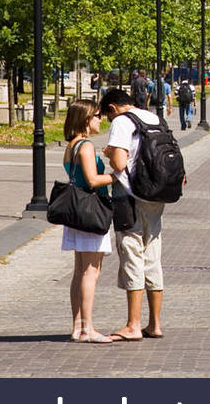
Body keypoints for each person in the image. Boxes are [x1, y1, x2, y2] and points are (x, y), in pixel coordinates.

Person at [99, 88, 166, 342]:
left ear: (113, 108)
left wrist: (108, 151)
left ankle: (133, 325)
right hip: (157, 195)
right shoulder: (153, 118)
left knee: (132, 254)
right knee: (152, 255)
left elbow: (118, 163)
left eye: (107, 115)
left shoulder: (121, 122)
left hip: (130, 195)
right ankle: (155, 323)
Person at [61, 99, 114, 344]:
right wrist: (115, 177)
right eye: (96, 116)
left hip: (76, 212)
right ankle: (88, 329)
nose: (100, 120)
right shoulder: (86, 146)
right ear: (85, 119)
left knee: (79, 271)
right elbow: (92, 180)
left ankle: (77, 326)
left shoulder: (71, 145)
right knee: (91, 271)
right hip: (91, 212)